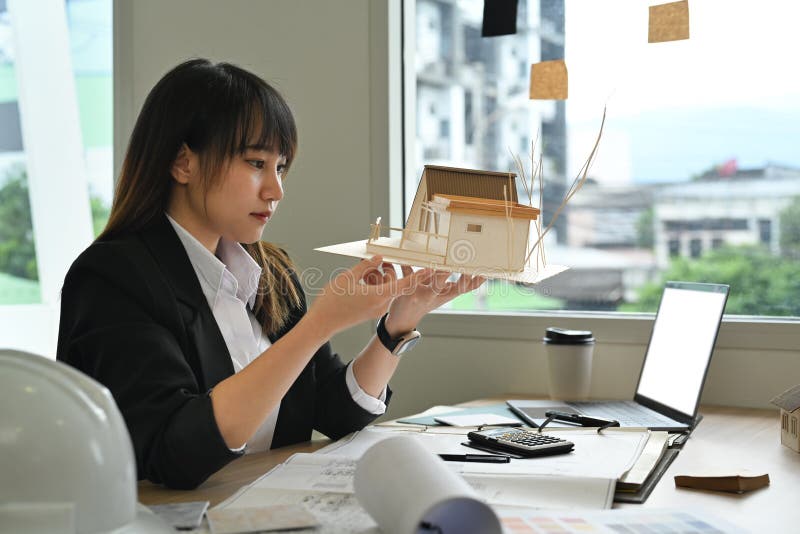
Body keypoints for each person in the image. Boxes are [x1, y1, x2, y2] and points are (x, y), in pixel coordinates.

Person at [56, 58, 484, 490]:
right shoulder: (112, 278)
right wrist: (319, 324)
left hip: (263, 507)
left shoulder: (271, 272)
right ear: (183, 163)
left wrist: (398, 324)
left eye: (280, 167)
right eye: (255, 163)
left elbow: (336, 412)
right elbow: (175, 453)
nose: (276, 190)